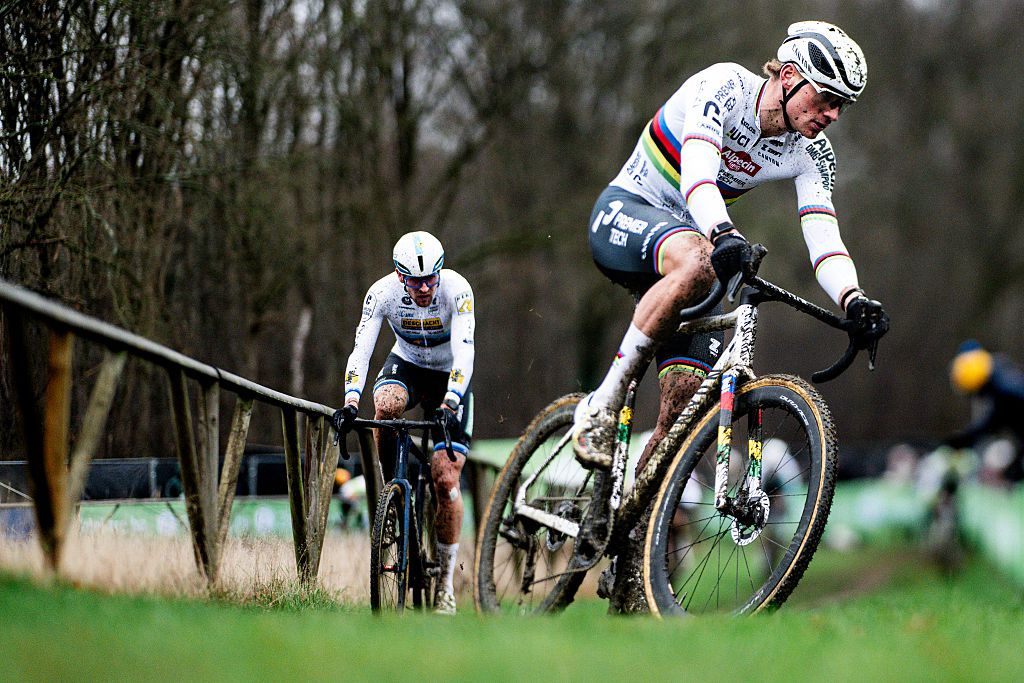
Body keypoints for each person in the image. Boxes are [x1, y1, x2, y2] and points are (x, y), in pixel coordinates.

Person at [572, 21, 890, 612]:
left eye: (843, 106)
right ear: (789, 77)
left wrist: (853, 298)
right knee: (700, 261)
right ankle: (600, 404)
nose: (833, 115)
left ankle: (627, 556)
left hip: (696, 246)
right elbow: (697, 170)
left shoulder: (812, 153)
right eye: (826, 99)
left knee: (683, 406)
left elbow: (823, 235)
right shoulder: (723, 85)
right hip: (631, 213)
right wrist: (721, 232)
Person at [332, 231, 476, 615]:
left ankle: (444, 584)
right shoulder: (381, 294)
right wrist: (349, 401)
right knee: (385, 403)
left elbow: (465, 349)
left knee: (446, 481)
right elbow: (361, 350)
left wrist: (452, 400)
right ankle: (391, 488)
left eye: (432, 278)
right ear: (400, 277)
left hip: (448, 375)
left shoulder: (457, 290)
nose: (426, 287)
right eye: (416, 281)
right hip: (408, 365)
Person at [946, 340, 1024, 482]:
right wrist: (966, 439)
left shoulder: (1006, 389)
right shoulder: (1003, 388)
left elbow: (993, 421)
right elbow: (992, 422)